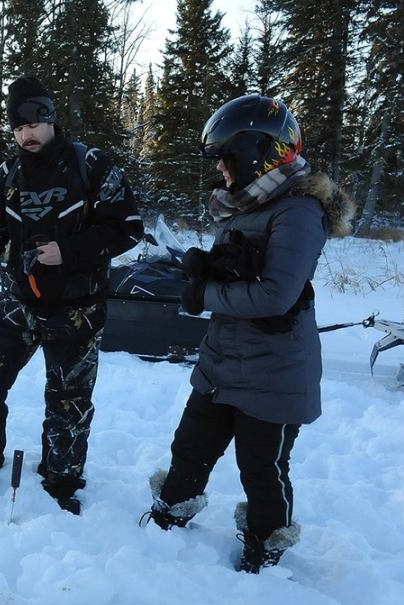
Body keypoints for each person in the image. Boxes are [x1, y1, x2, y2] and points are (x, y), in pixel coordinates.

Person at [141, 95, 354, 573]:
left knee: (261, 470)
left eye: (226, 156)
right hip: (222, 359)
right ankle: (167, 521)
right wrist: (209, 266)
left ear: (258, 152)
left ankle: (265, 550)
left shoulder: (298, 211)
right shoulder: (245, 204)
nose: (220, 167)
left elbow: (276, 294)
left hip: (274, 369)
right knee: (190, 447)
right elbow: (247, 268)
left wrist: (203, 295)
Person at [0, 76, 144, 513]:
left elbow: (129, 228)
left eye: (34, 123)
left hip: (76, 308)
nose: (26, 134)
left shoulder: (91, 164)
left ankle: (62, 484)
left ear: (50, 117)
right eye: (18, 128)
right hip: (18, 301)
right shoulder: (8, 173)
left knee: (68, 403)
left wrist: (70, 251)